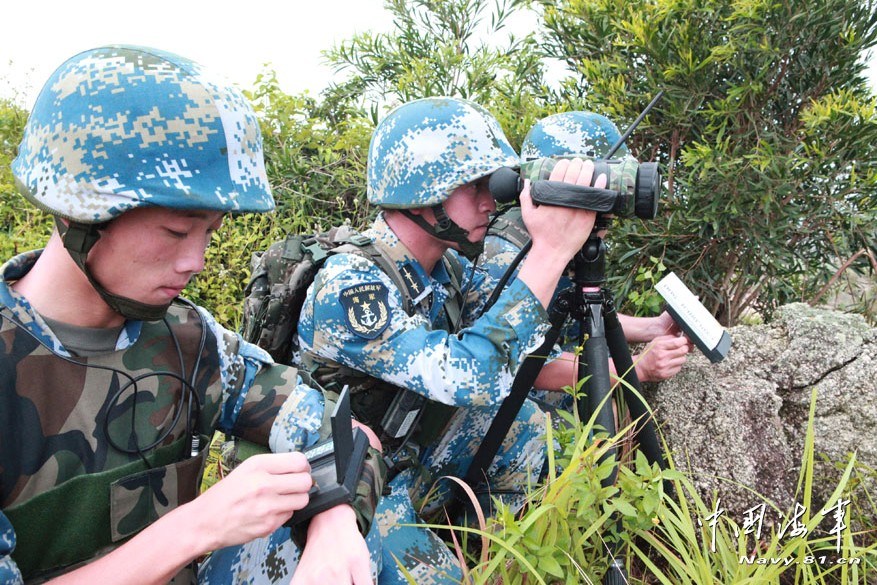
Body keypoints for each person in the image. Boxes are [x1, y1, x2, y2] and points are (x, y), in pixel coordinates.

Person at [0, 45, 384, 585]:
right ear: (80, 210)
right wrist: (196, 526)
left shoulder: (191, 340)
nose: (196, 261)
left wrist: (335, 519)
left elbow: (341, 429)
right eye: (177, 231)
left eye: (210, 234)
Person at [295, 97, 602, 583]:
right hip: (350, 479)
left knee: (523, 424)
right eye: (473, 186)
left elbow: (508, 346)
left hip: (408, 450)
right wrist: (551, 251)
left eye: (491, 184)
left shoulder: (447, 266)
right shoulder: (352, 286)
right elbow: (473, 376)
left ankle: (471, 541)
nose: (489, 201)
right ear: (422, 192)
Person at [482, 111, 692, 415]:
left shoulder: (565, 239)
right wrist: (635, 369)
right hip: (515, 421)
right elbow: (525, 362)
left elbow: (577, 312)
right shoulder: (508, 254)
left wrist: (653, 328)